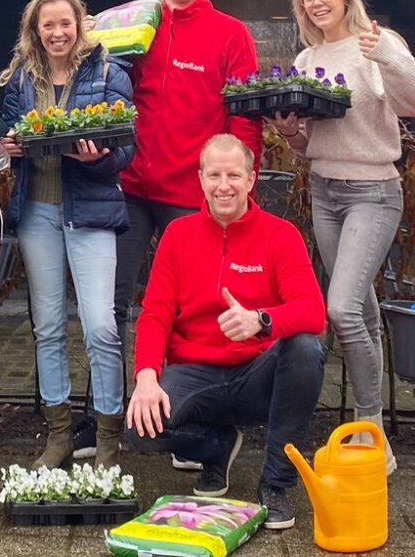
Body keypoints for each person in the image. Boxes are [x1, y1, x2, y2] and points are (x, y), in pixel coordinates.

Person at [264, 0, 415, 472]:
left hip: (372, 193)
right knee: (360, 311)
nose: (317, 3)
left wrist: (388, 55)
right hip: (324, 190)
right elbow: (307, 143)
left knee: (339, 310)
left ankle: (371, 429)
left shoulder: (376, 44)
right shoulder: (307, 57)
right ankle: (372, 436)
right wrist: (288, 130)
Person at [125, 134, 325, 532]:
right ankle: (217, 447)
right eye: (214, 175)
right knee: (139, 429)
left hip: (256, 374)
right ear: (200, 179)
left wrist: (261, 320)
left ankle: (275, 484)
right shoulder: (178, 235)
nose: (223, 186)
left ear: (251, 179)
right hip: (195, 373)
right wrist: (146, 376)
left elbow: (313, 312)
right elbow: (155, 314)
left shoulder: (280, 234)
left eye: (233, 175)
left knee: (306, 349)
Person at [0, 0, 134, 470]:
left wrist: (98, 159)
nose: (57, 32)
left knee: (101, 326)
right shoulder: (20, 80)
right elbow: (6, 142)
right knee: (48, 326)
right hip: (37, 212)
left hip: (91, 210)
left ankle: (108, 439)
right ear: (35, 31)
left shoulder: (108, 72)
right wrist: (6, 148)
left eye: (64, 23)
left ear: (79, 24)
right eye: (47, 25)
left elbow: (126, 148)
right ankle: (58, 436)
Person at [116, 0, 262, 354]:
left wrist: (240, 182)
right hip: (129, 186)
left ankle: (187, 390)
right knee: (112, 303)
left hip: (191, 194)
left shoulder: (230, 33)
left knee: (193, 306)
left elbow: (245, 114)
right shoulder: (134, 25)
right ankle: (113, 395)